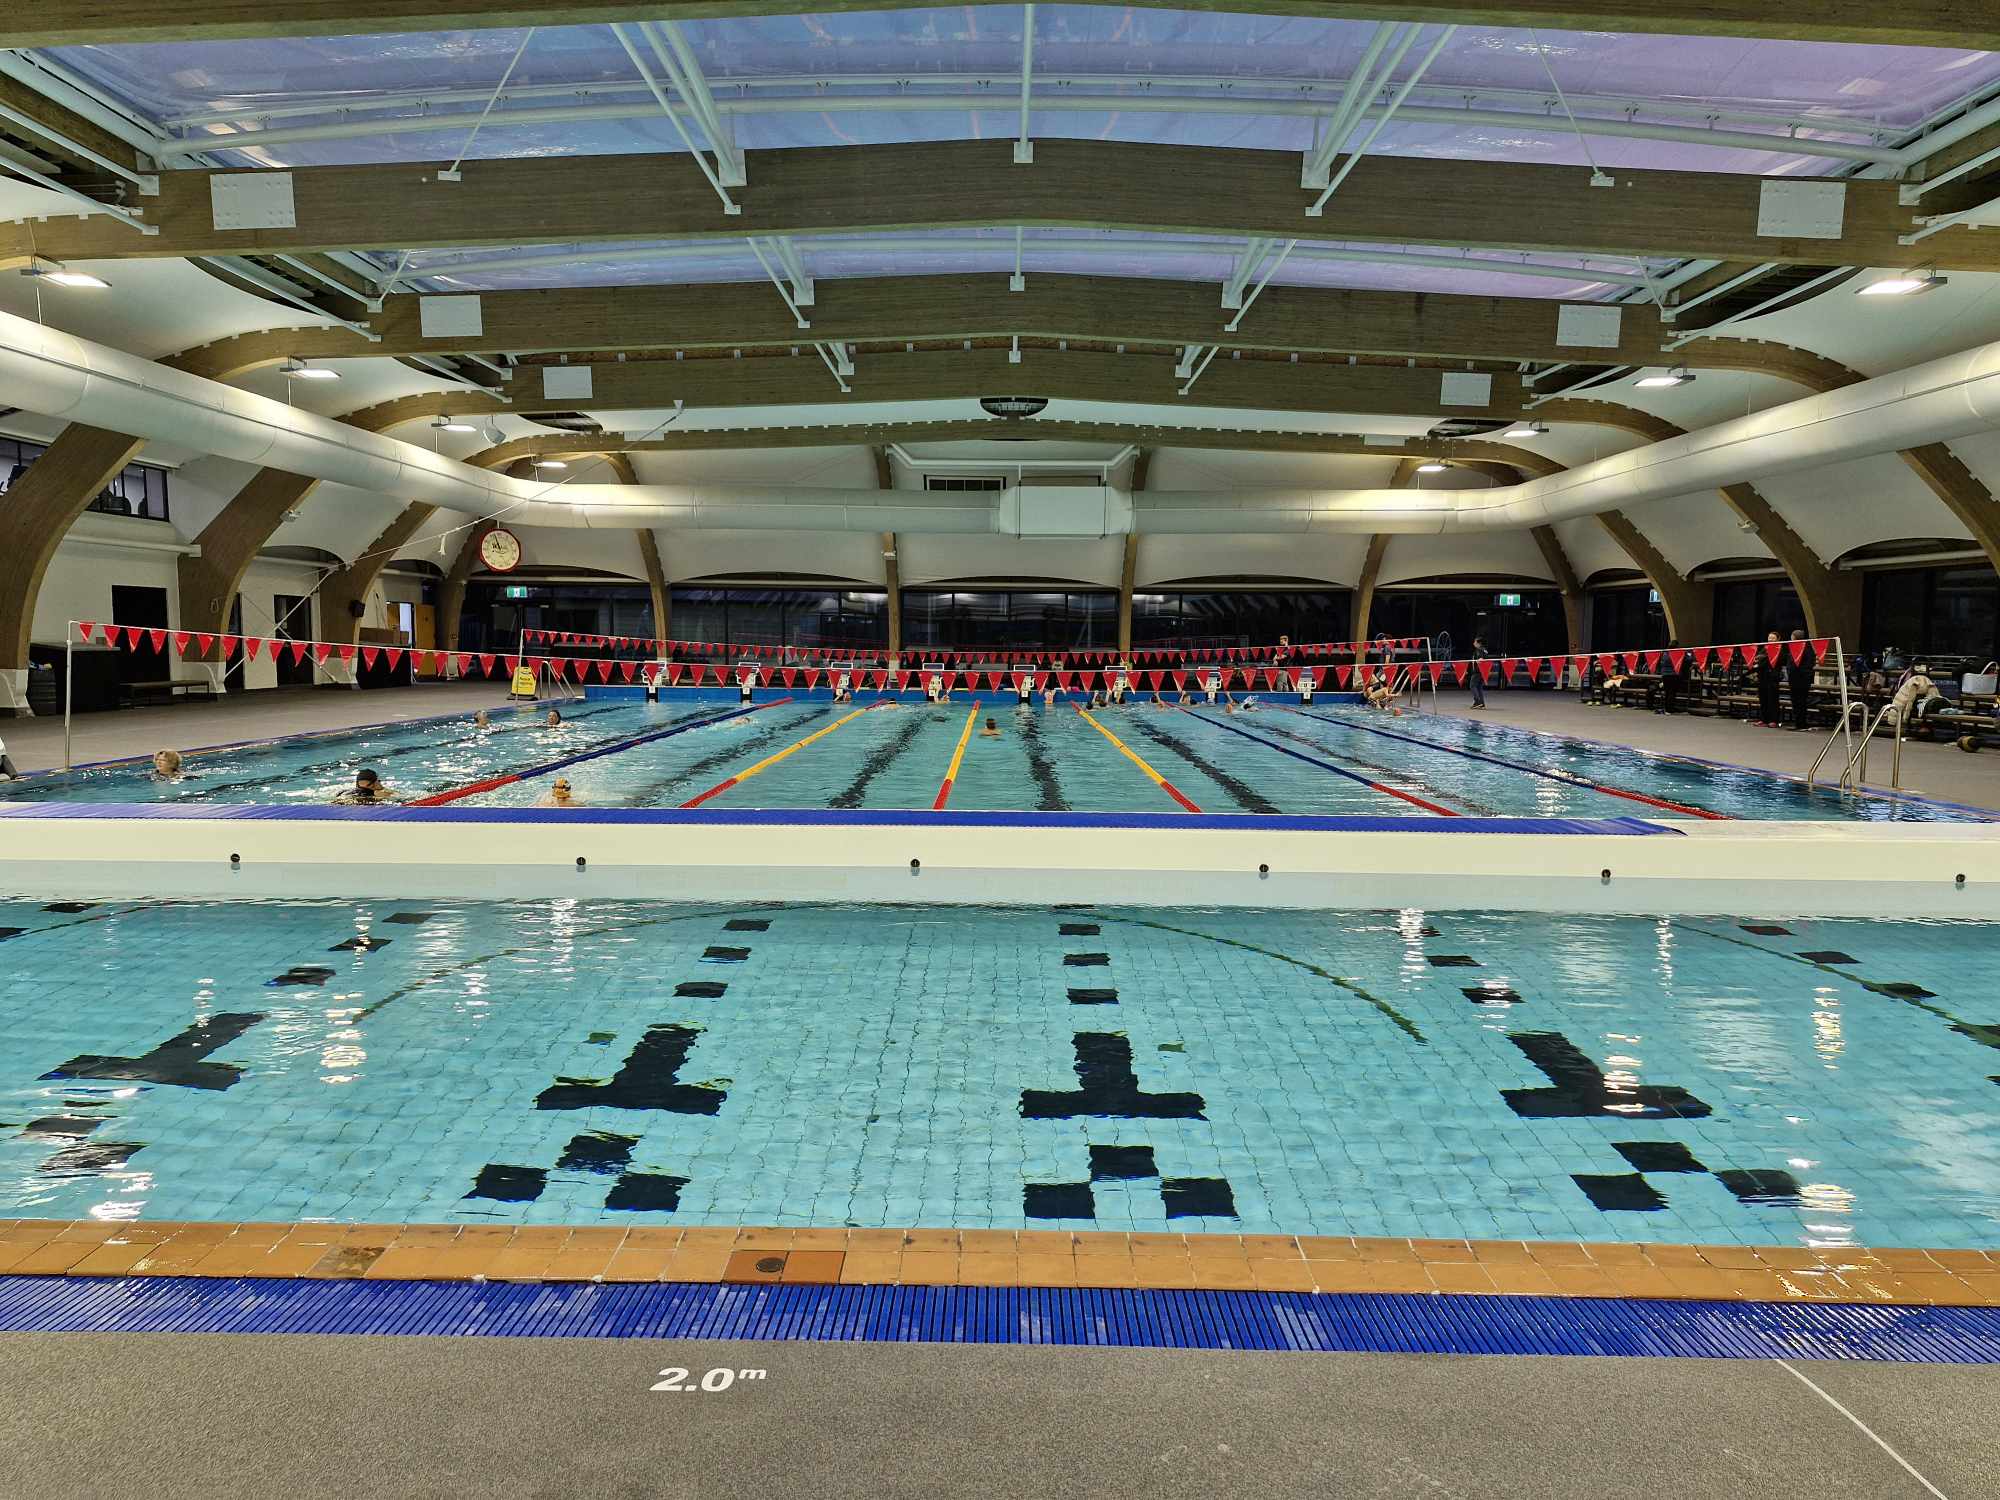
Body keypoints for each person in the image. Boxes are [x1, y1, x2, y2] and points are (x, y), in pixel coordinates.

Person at [1785, 628, 1816, 731]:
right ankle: (1798, 722)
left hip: (1801, 678)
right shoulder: (1794, 647)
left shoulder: (1805, 648)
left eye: (1792, 637)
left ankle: (1801, 724)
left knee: (1800, 701)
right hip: (1795, 678)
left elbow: (1807, 664)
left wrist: (1795, 672)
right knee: (1796, 701)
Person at [1754, 631, 1783, 726]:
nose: (1770, 640)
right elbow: (1757, 658)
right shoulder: (1764, 648)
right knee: (1763, 699)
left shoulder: (1779, 649)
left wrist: (1761, 659)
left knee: (1772, 699)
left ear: (1778, 639)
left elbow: (1764, 660)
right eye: (1769, 638)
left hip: (1772, 677)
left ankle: (1773, 720)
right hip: (1762, 676)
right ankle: (1764, 719)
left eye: (1773, 638)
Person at [1467, 636, 1488, 710]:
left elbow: (1481, 658)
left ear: (1479, 643)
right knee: (1479, 687)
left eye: (1475, 642)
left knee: (1472, 686)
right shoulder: (1485, 650)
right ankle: (1482, 704)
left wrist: (1479, 660)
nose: (1473, 643)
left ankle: (1477, 702)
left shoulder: (1479, 650)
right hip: (1483, 671)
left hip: (1477, 671)